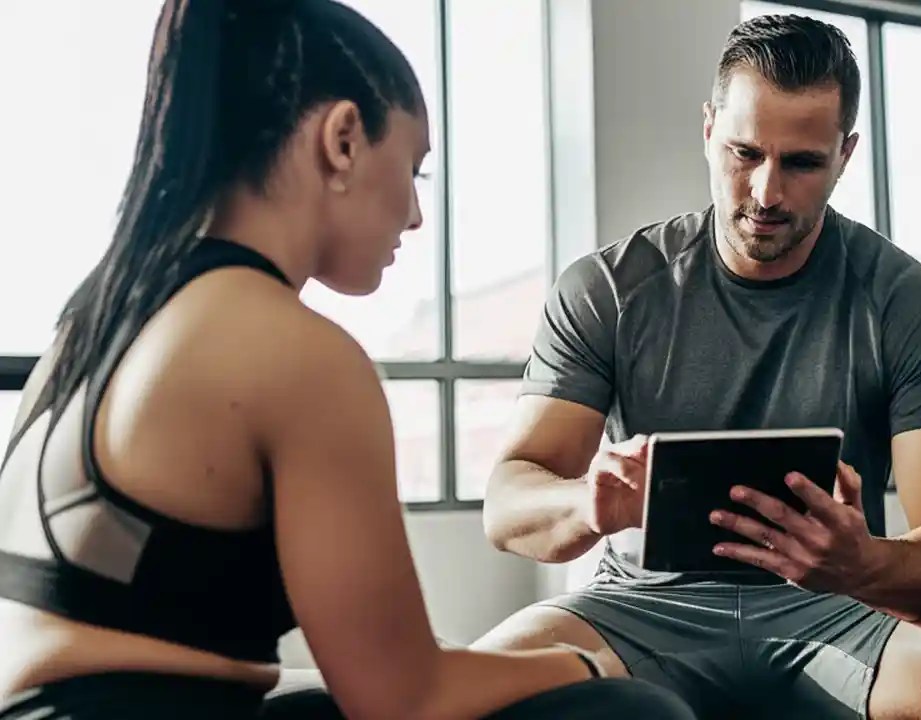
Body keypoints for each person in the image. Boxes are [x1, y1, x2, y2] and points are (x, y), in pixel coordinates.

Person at [0, 1, 697, 719]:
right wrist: (582, 662)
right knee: (632, 710)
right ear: (342, 139)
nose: (417, 216)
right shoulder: (290, 351)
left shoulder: (94, 322)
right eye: (416, 171)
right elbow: (403, 699)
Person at [478, 13, 921, 720]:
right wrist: (587, 502)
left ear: (844, 155)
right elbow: (510, 501)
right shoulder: (609, 288)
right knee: (484, 686)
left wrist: (863, 564)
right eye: (744, 153)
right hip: (639, 609)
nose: (765, 192)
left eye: (801, 162)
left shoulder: (910, 304)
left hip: (844, 611)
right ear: (708, 130)